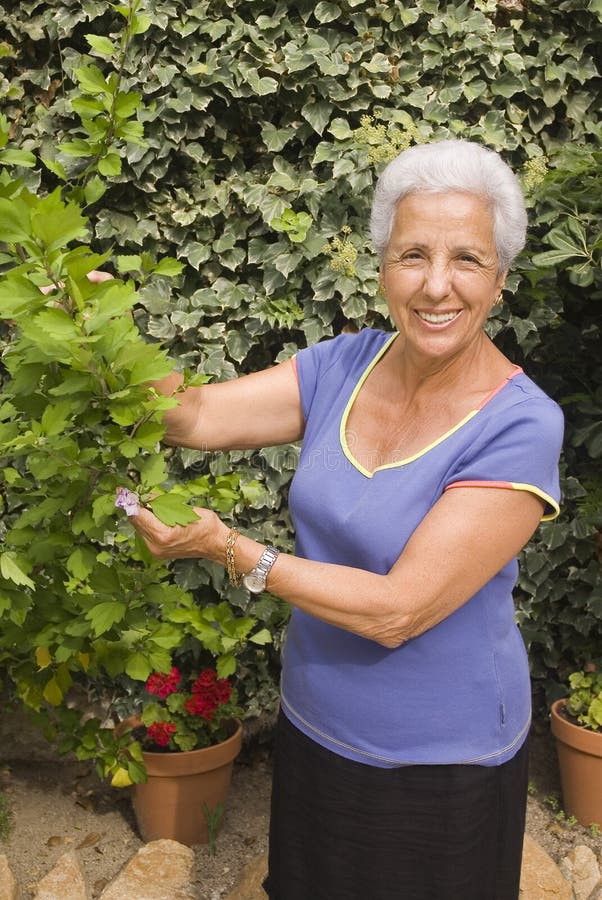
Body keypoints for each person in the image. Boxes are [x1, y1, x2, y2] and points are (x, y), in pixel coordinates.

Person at [125, 139, 563, 900]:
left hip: (441, 759)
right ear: (381, 265)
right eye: (412, 254)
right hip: (317, 721)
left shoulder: (520, 424)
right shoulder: (342, 367)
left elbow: (401, 611)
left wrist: (230, 549)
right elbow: (189, 415)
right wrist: (93, 322)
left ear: (499, 279)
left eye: (465, 259)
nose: (435, 285)